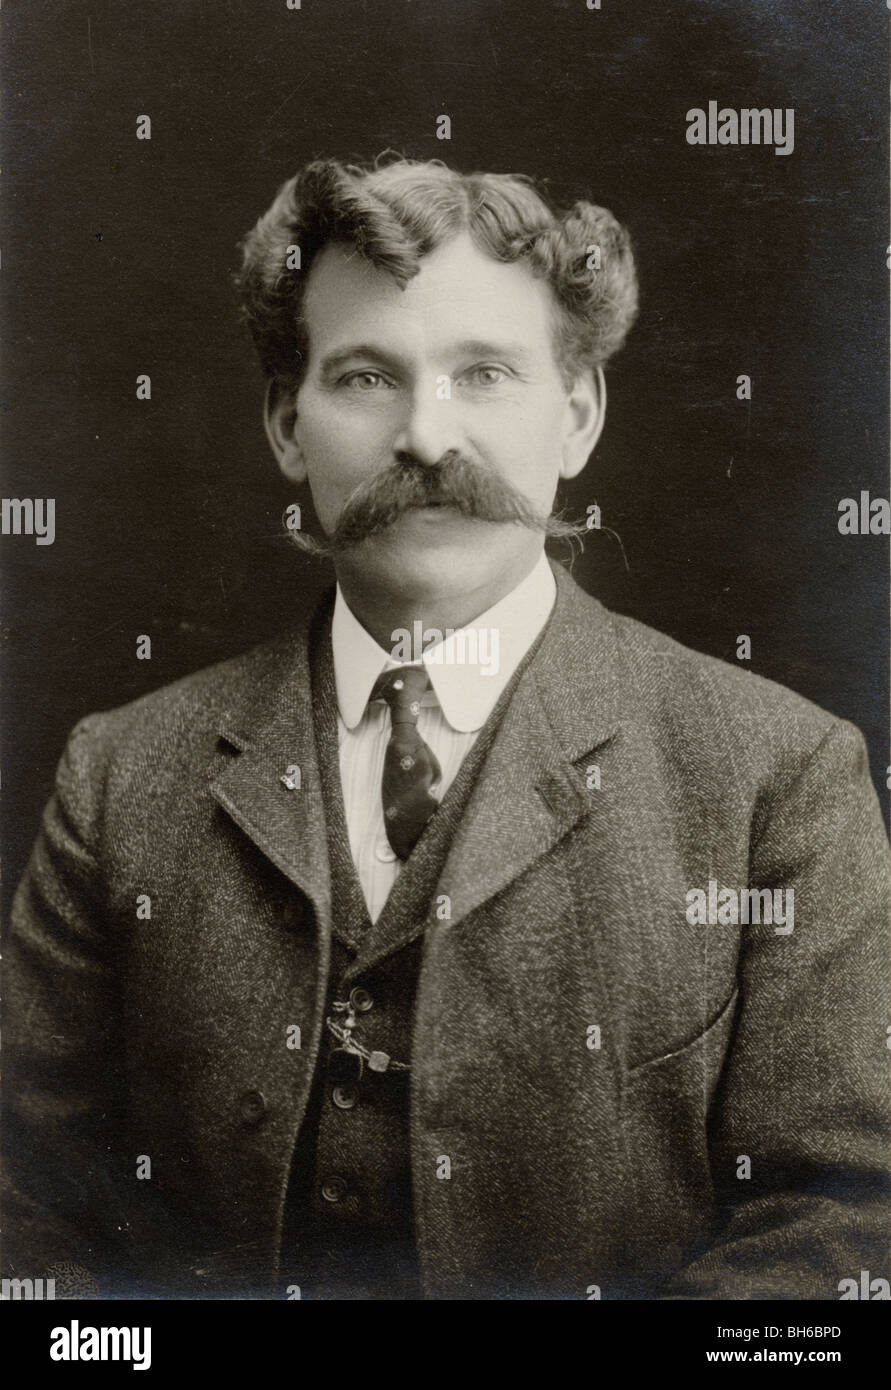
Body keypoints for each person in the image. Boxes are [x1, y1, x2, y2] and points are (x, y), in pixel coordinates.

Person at [4, 157, 888, 1301]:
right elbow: (27, 1215)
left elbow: (842, 1225)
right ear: (286, 424)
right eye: (367, 377)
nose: (428, 437)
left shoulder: (778, 776)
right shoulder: (121, 778)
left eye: (484, 374)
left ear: (577, 416)